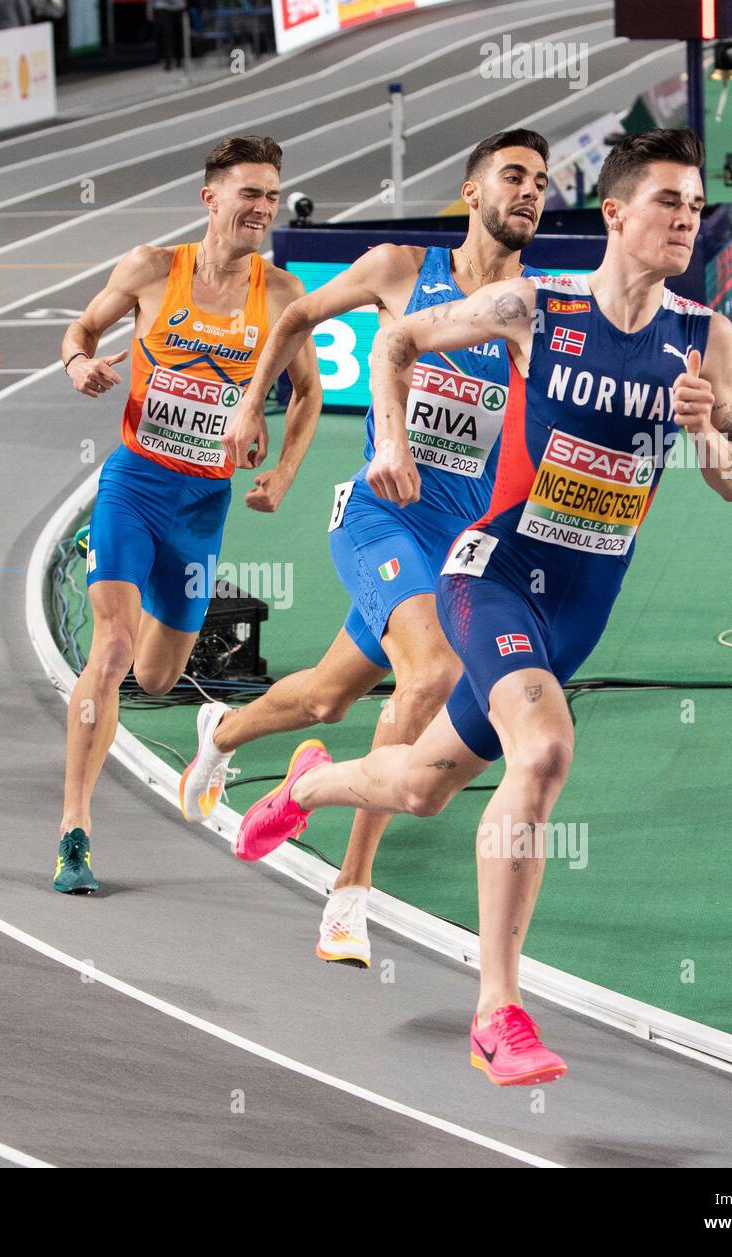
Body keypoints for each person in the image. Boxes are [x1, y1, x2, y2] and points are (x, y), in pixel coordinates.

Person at [237, 128, 732, 1086]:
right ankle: (498, 1011)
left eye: (695, 205)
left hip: (580, 608)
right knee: (546, 749)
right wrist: (388, 442)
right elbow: (396, 340)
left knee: (422, 786)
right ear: (613, 213)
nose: (687, 219)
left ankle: (305, 785)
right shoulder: (536, 307)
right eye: (667, 203)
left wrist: (711, 438)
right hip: (493, 573)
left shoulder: (705, 333)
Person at [181, 131, 552, 969]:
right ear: (470, 188)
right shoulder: (397, 268)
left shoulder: (533, 309)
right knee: (429, 678)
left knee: (327, 698)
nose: (529, 191)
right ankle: (349, 891)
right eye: (513, 176)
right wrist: (251, 413)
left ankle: (222, 730)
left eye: (540, 181)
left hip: (455, 544)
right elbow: (299, 315)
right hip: (377, 520)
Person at [53, 135, 323, 894]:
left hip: (203, 507)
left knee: (156, 673)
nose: (263, 208)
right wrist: (81, 363)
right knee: (109, 653)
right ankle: (76, 827)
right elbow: (78, 331)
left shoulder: (280, 294)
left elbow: (309, 391)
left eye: (272, 195)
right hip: (134, 484)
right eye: (250, 194)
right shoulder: (150, 269)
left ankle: (195, 714)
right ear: (211, 198)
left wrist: (283, 473)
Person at [148, 0, 187, 72]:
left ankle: (179, 59)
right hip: (162, 7)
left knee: (179, 35)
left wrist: (184, 5)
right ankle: (168, 61)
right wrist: (150, 8)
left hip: (178, 7)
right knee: (167, 35)